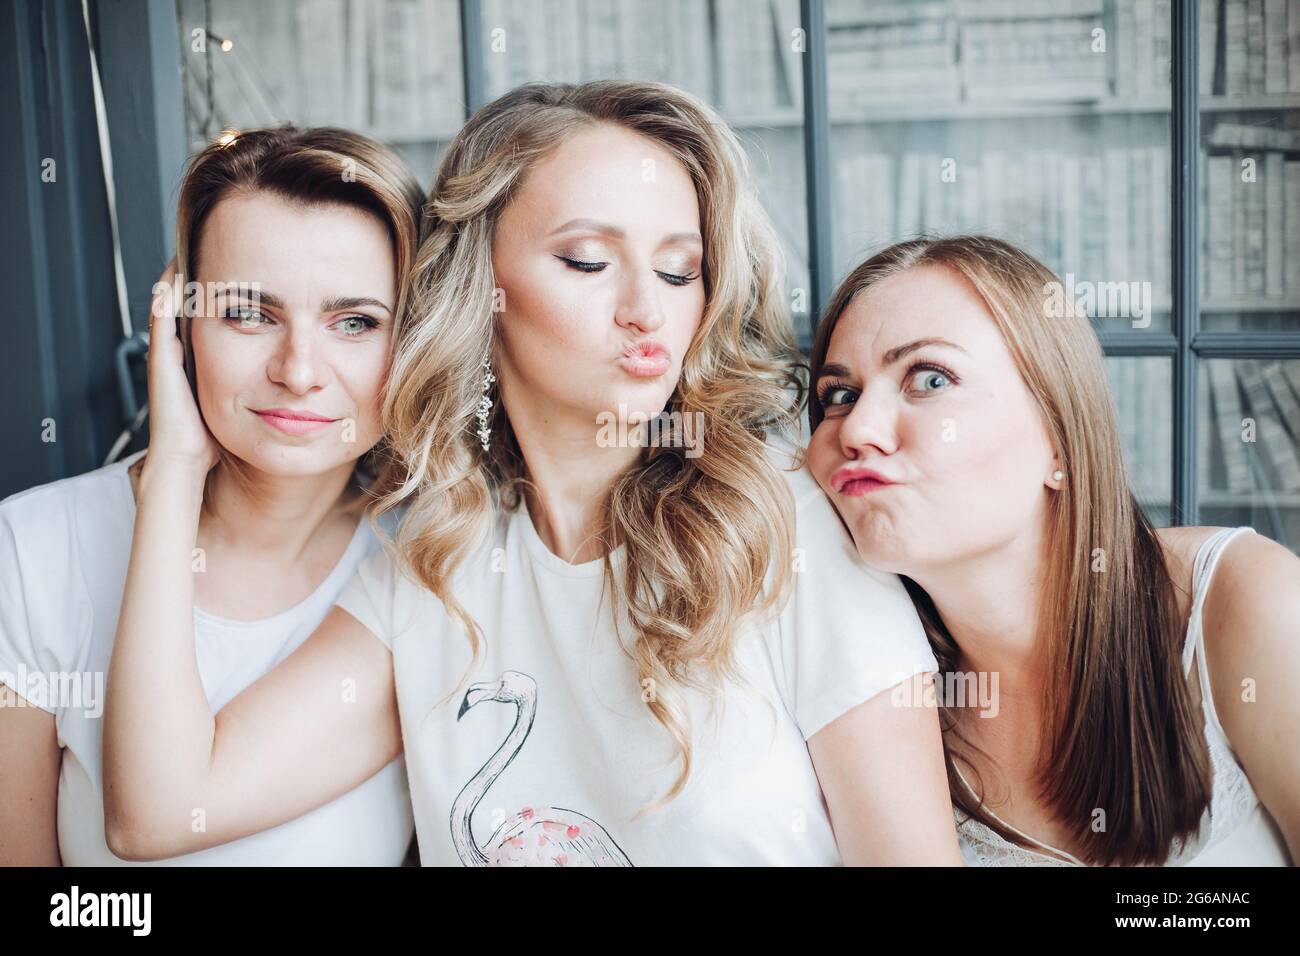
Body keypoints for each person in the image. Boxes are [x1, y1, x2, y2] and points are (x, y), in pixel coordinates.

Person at [102, 82, 963, 866]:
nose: (646, 310)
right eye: (588, 261)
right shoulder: (435, 563)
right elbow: (163, 810)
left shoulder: (794, 530)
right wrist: (177, 462)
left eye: (678, 270)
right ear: (480, 284)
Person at [0, 126, 425, 865]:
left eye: (354, 322)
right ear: (178, 322)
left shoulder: (429, 564)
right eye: (248, 312)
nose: (298, 371)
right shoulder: (33, 550)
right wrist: (174, 470)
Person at [806, 234, 1298, 866]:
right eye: (838, 395)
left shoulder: (1246, 601)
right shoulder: (871, 698)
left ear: (1059, 440)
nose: (857, 430)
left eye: (929, 378)